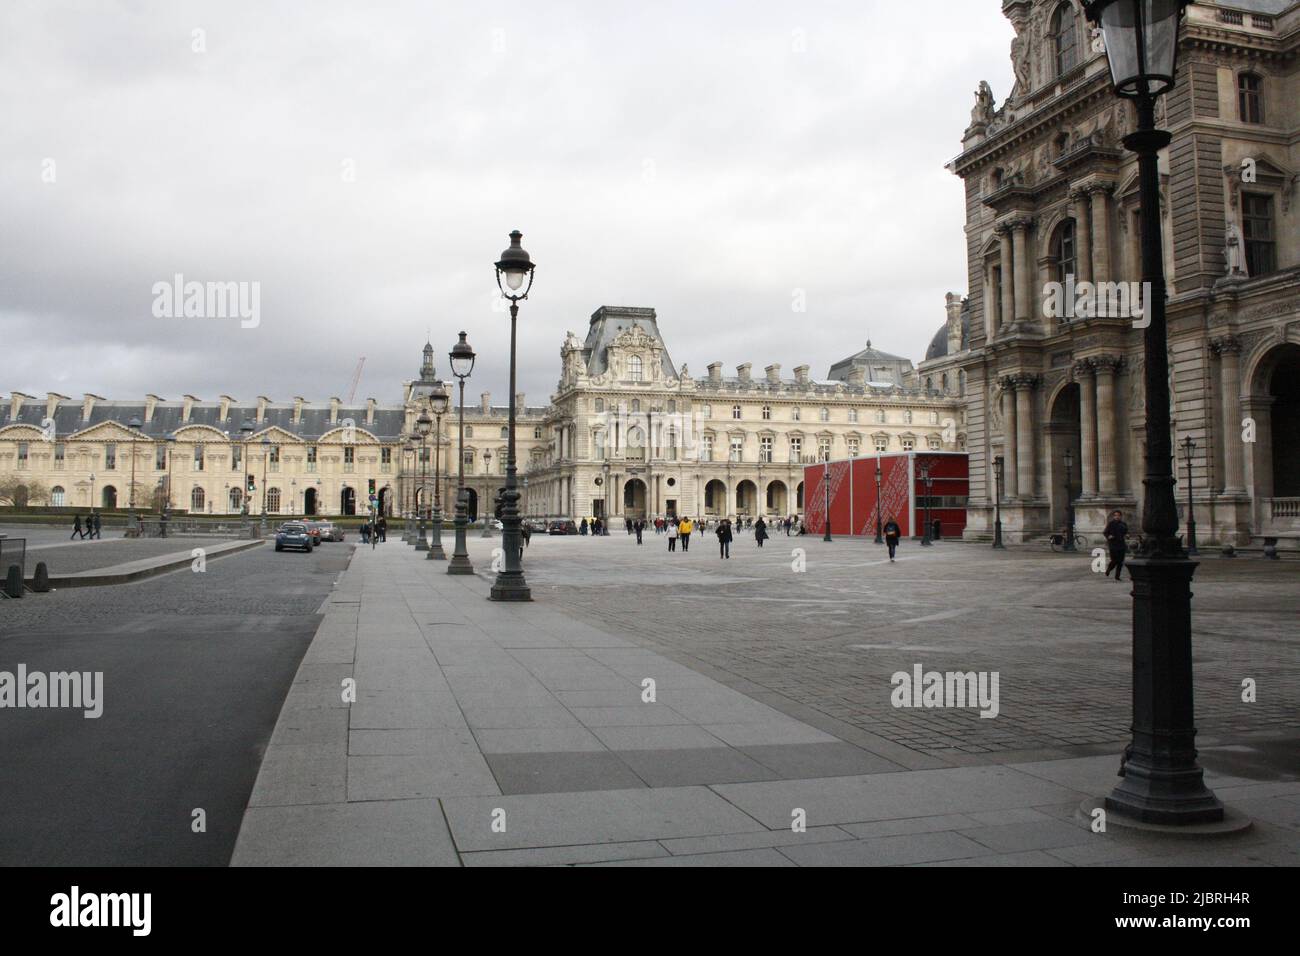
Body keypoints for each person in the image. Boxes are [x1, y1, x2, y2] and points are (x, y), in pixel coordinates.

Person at [1103, 509, 1129, 583]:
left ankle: (1117, 576)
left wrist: (1127, 535)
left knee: (1120, 562)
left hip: (1121, 544)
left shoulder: (1123, 524)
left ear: (1121, 516)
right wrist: (1109, 536)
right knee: (1114, 560)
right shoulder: (1111, 524)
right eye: (1115, 515)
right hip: (1113, 544)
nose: (1117, 517)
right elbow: (1105, 532)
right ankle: (1109, 569)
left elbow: (1126, 532)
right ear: (1113, 516)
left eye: (1118, 515)